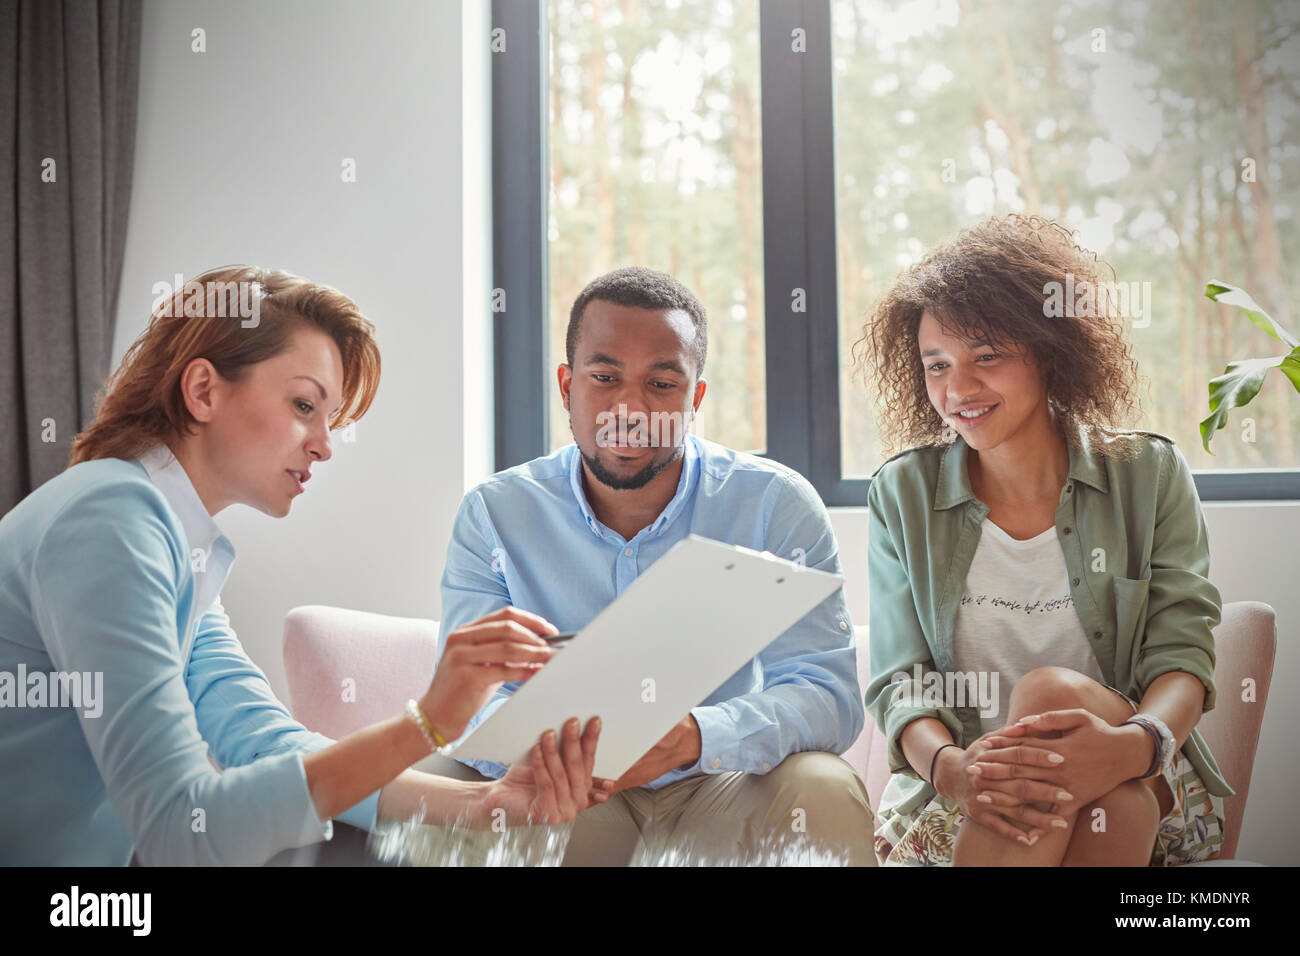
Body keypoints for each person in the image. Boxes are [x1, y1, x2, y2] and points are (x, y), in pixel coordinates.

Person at [0, 265, 601, 866]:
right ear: (204, 390)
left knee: (356, 840)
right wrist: (428, 724)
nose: (325, 443)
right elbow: (180, 827)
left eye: (328, 418)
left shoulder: (177, 546)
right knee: (344, 849)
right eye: (303, 404)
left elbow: (266, 744)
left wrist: (484, 803)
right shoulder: (111, 520)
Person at [418, 266, 876, 866]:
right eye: (604, 377)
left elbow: (826, 693)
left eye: (662, 384)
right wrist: (558, 756)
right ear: (566, 385)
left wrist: (694, 736)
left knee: (823, 784)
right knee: (430, 784)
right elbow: (473, 696)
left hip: (718, 781)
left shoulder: (775, 504)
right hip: (566, 795)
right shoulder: (495, 514)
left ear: (696, 398)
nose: (630, 407)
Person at [857, 215, 1231, 866]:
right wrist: (954, 771)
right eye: (936, 364)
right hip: (963, 791)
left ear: (1049, 348)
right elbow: (900, 683)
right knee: (1108, 806)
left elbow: (1183, 661)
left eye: (987, 356)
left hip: (1139, 761)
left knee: (1052, 698)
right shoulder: (902, 494)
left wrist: (1132, 747)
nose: (958, 389)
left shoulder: (1148, 475)